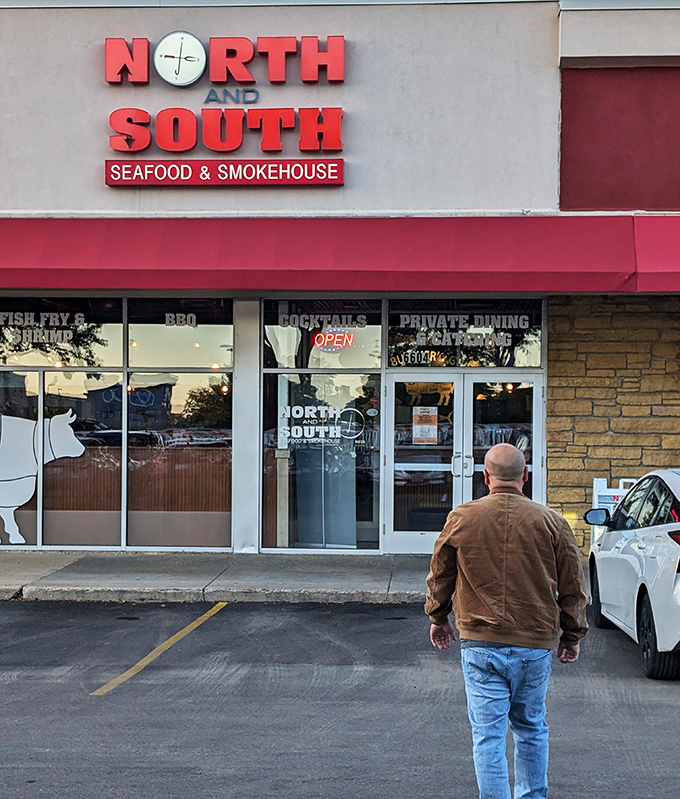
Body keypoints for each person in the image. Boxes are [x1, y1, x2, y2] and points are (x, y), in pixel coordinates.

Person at [425, 443, 588, 799]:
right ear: (525, 476)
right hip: (534, 642)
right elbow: (573, 585)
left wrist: (438, 617)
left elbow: (440, 574)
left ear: (485, 477)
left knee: (488, 735)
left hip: (480, 642)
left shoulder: (462, 518)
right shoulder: (552, 522)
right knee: (531, 729)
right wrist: (572, 635)